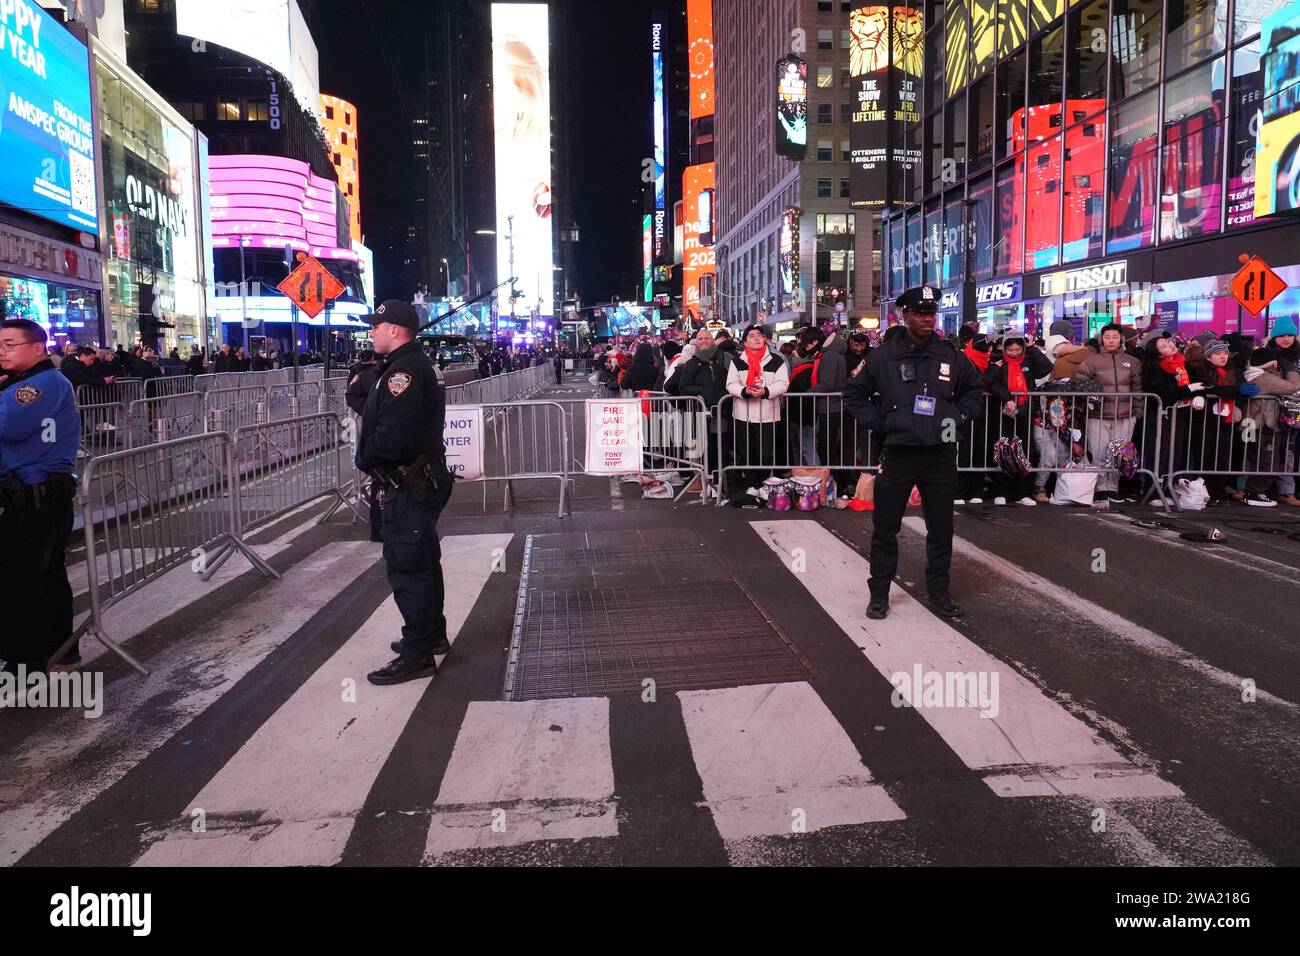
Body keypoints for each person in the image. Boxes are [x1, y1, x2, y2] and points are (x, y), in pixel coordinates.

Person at [844, 286, 984, 620]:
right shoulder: (883, 356)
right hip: (899, 452)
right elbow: (854, 393)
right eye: (919, 314)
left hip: (940, 453)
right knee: (885, 526)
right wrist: (881, 423)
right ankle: (879, 593)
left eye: (930, 314)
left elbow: (974, 390)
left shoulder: (949, 354)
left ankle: (939, 592)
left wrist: (956, 416)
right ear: (904, 315)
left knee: (940, 527)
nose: (926, 319)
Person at [355, 301, 456, 685]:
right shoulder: (406, 366)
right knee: (424, 561)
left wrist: (367, 457)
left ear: (395, 329)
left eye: (376, 326)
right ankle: (430, 635)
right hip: (419, 480)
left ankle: (418, 653)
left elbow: (394, 436)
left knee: (409, 566)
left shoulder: (405, 372)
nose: (372, 332)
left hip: (407, 483)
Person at [0, 319, 82, 673]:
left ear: (37, 348)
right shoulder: (28, 384)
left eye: (9, 344)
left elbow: (8, 426)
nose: (2, 351)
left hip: (33, 498)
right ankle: (59, 648)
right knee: (45, 575)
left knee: (20, 581)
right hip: (39, 495)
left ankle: (24, 664)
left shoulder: (36, 385)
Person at [1074, 322, 1143, 501]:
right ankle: (1100, 487)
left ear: (1121, 338)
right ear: (1101, 339)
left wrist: (1138, 411)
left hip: (1126, 414)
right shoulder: (1091, 361)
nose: (1111, 340)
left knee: (1120, 452)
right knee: (1098, 450)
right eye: (1107, 337)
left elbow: (1138, 389)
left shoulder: (1133, 362)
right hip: (1098, 415)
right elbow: (1080, 384)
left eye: (1115, 337)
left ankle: (1113, 487)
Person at [725, 324, 790, 494]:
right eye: (752, 335)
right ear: (745, 341)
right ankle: (751, 485)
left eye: (759, 335)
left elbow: (783, 383)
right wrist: (744, 391)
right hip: (743, 414)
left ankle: (762, 485)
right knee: (746, 452)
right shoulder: (737, 360)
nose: (756, 338)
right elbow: (731, 383)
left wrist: (766, 391)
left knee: (764, 454)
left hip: (768, 415)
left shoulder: (776, 360)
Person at [346, 349, 383, 541]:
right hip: (378, 440)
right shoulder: (367, 376)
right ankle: (380, 530)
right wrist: (368, 410)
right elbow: (351, 394)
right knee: (381, 484)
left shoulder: (410, 370)